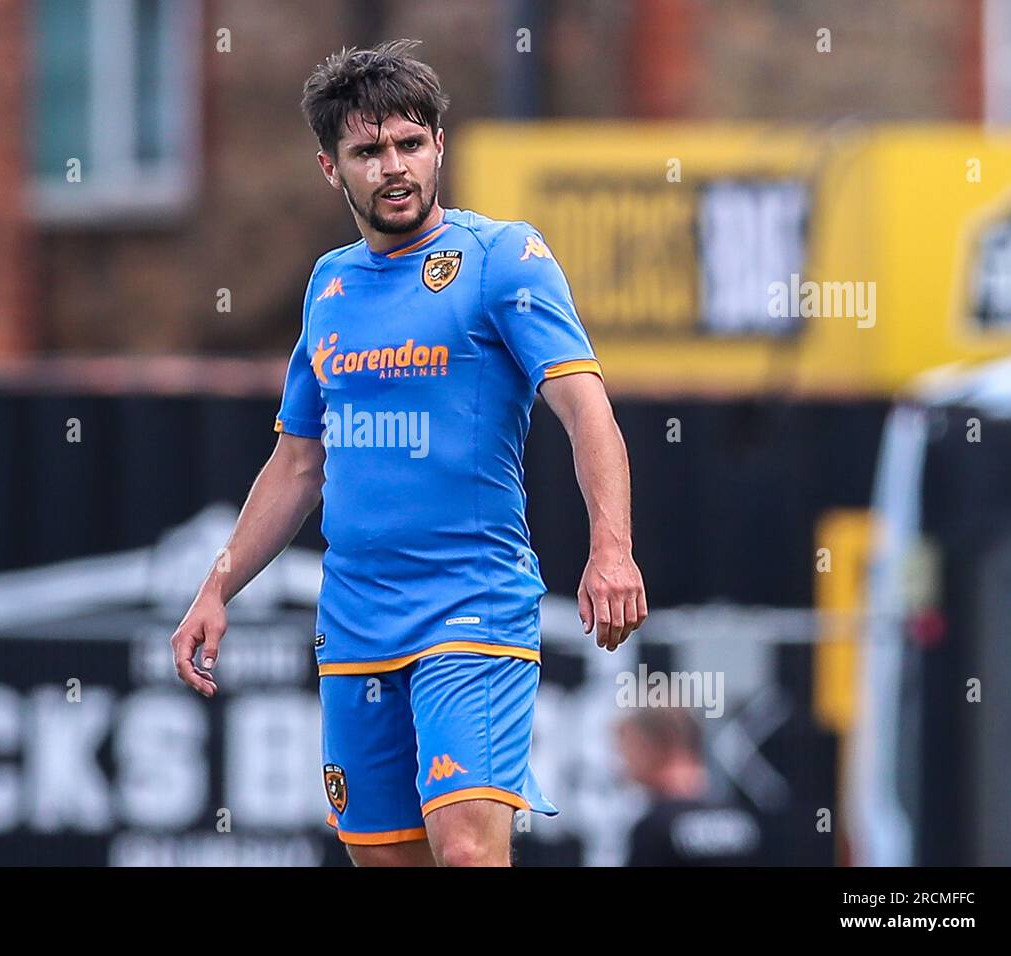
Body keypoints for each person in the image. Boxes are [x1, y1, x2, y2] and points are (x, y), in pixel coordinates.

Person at [170, 39, 646, 867]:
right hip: (355, 617)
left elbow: (587, 410)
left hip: (474, 602)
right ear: (331, 167)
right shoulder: (329, 286)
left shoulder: (503, 258)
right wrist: (217, 585)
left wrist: (611, 549)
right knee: (388, 857)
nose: (393, 167)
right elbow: (297, 463)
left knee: (465, 849)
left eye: (409, 143)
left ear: (438, 147)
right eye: (368, 151)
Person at [617, 709, 763, 866]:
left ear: (648, 747)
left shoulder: (653, 828)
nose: (623, 763)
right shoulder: (743, 821)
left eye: (628, 749)